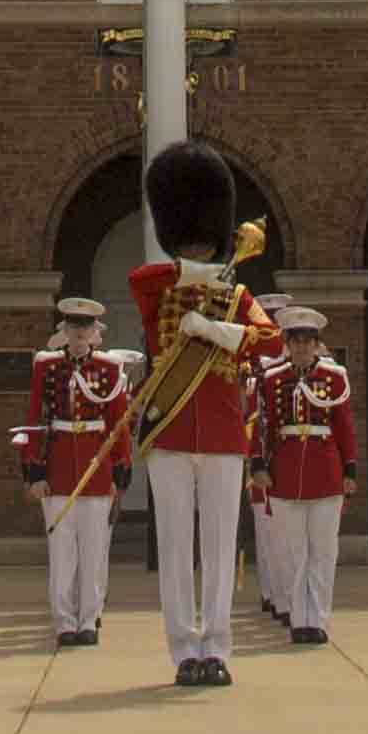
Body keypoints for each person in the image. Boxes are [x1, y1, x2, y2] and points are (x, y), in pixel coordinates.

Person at [124, 139, 267, 689]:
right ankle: (184, 648)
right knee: (177, 546)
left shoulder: (237, 293)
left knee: (219, 545)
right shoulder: (158, 286)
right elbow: (148, 281)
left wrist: (215, 327)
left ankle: (218, 647)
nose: (202, 248)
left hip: (225, 433)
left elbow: (269, 342)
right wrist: (205, 273)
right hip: (171, 429)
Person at [18, 294, 134, 648]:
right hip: (57, 468)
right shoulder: (47, 366)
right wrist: (34, 472)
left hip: (95, 467)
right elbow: (36, 417)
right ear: (65, 330)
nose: (79, 332)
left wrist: (119, 471)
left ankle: (88, 620)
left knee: (94, 551)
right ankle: (64, 622)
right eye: (73, 326)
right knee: (62, 552)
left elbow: (118, 423)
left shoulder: (110, 369)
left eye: (85, 326)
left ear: (94, 330)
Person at [248, 305, 354, 643]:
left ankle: (318, 619)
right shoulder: (272, 378)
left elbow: (344, 427)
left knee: (323, 551)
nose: (302, 348)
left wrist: (349, 469)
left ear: (317, 343)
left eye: (308, 341)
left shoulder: (335, 377)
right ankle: (298, 619)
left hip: (325, 468)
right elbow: (261, 426)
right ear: (287, 343)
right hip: (286, 469)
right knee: (291, 552)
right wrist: (258, 465)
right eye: (296, 341)